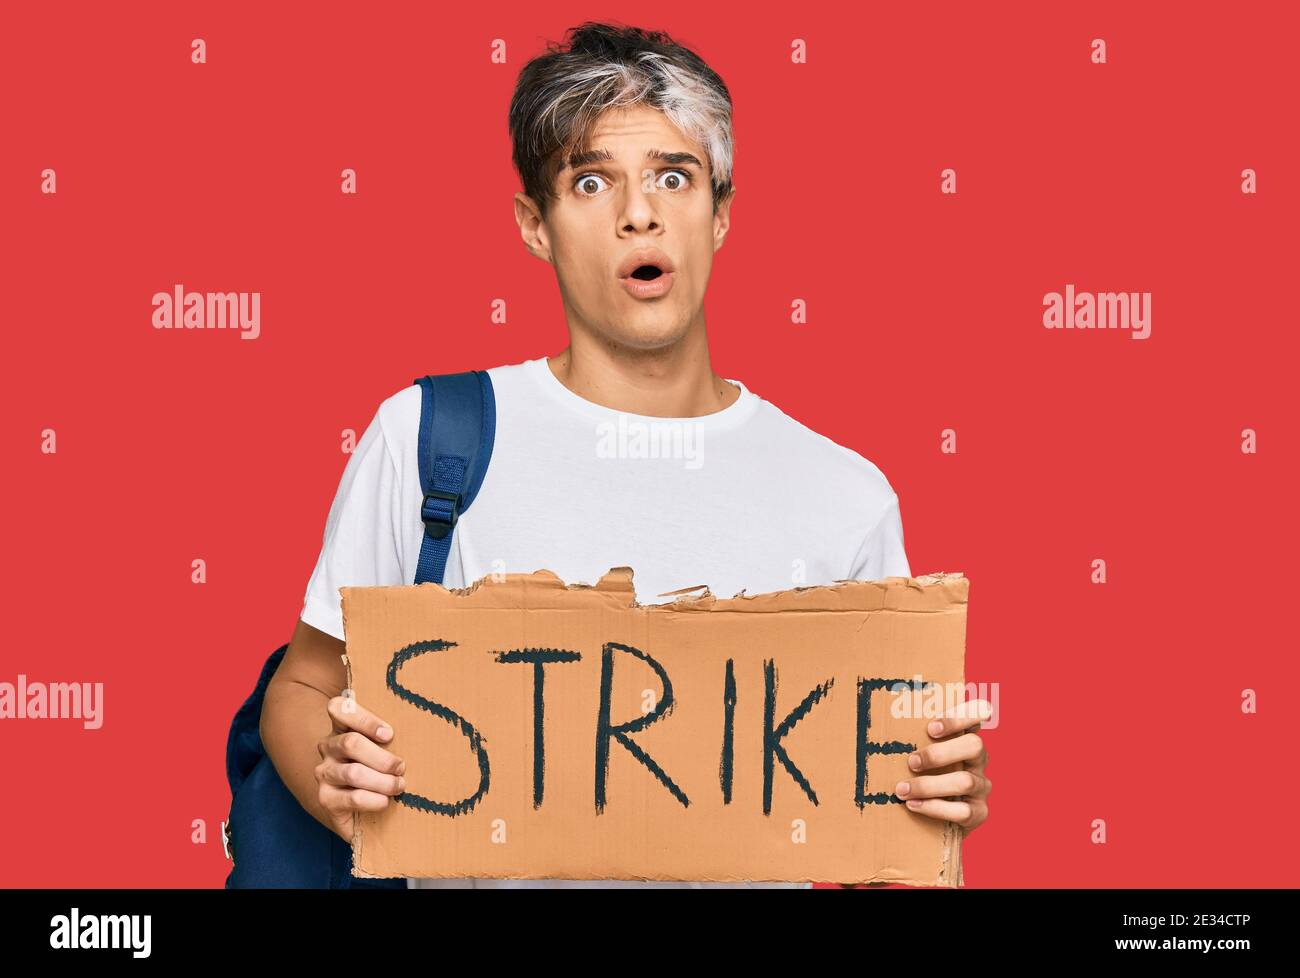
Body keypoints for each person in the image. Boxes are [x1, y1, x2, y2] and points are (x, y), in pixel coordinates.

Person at [259, 21, 991, 890]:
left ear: (719, 214)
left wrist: (932, 815)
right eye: (592, 180)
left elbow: (885, 838)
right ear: (536, 224)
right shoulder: (428, 440)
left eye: (672, 178)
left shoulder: (845, 497)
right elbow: (303, 687)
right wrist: (339, 787)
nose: (638, 213)